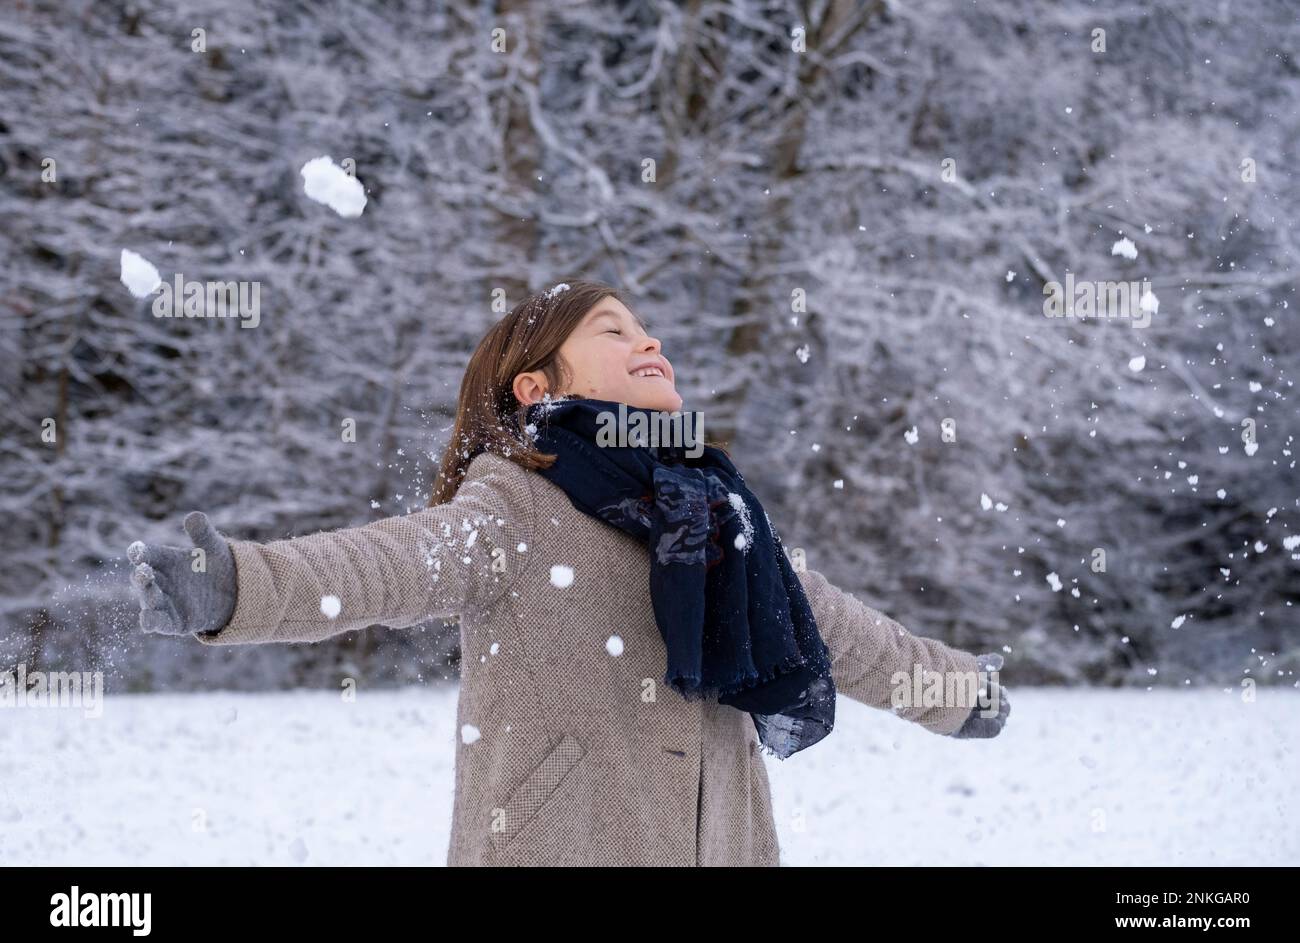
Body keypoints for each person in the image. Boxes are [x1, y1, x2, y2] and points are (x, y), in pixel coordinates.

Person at [127, 277, 1010, 866]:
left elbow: (838, 629)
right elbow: (385, 563)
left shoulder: (719, 512)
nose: (649, 336)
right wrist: (237, 585)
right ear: (535, 387)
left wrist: (957, 690)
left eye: (646, 325)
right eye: (613, 328)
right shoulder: (516, 504)